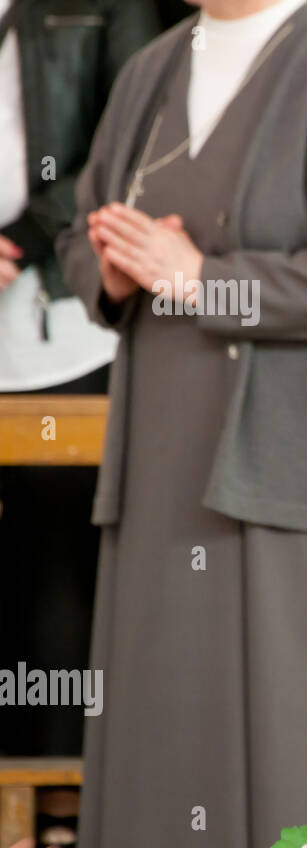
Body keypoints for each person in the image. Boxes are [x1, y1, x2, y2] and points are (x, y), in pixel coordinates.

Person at [56, 0, 307, 848]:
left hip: (302, 475)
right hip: (164, 472)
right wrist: (113, 269)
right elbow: (82, 231)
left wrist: (204, 280)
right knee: (167, 733)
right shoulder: (150, 70)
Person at [0, 0, 158, 757]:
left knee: (61, 577)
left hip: (60, 326)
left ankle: (60, 811)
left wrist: (22, 239)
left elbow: (136, 136)